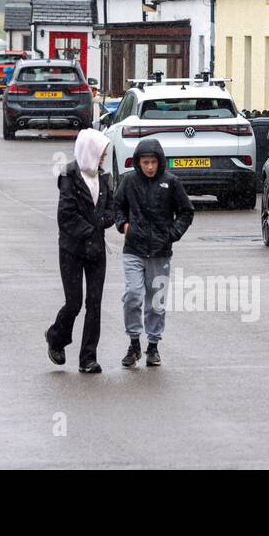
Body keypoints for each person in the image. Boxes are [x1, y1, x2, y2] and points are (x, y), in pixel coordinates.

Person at [111, 137, 193, 368]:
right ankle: (134, 342)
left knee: (155, 301)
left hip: (160, 252)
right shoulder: (129, 181)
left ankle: (153, 346)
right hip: (133, 250)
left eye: (153, 162)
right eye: (145, 162)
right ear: (138, 162)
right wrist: (123, 225)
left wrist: (171, 234)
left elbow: (186, 211)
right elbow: (117, 206)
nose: (149, 167)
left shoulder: (171, 182)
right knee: (133, 295)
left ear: (160, 162)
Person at [46, 128, 117, 373]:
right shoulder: (69, 176)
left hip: (96, 250)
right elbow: (66, 217)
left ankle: (88, 358)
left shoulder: (105, 179)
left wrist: (107, 219)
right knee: (74, 302)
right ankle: (56, 337)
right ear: (89, 152)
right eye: (101, 154)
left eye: (105, 155)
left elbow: (111, 210)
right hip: (71, 250)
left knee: (94, 303)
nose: (103, 159)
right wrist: (92, 227)